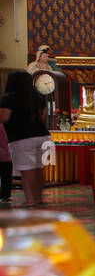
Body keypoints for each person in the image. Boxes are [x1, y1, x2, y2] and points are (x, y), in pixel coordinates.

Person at [0, 72, 49, 205]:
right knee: (40, 167)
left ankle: (30, 200)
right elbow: (43, 118)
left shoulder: (9, 98)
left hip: (21, 137)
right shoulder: (38, 97)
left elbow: (4, 118)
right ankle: (38, 197)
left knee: (26, 169)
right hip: (43, 136)